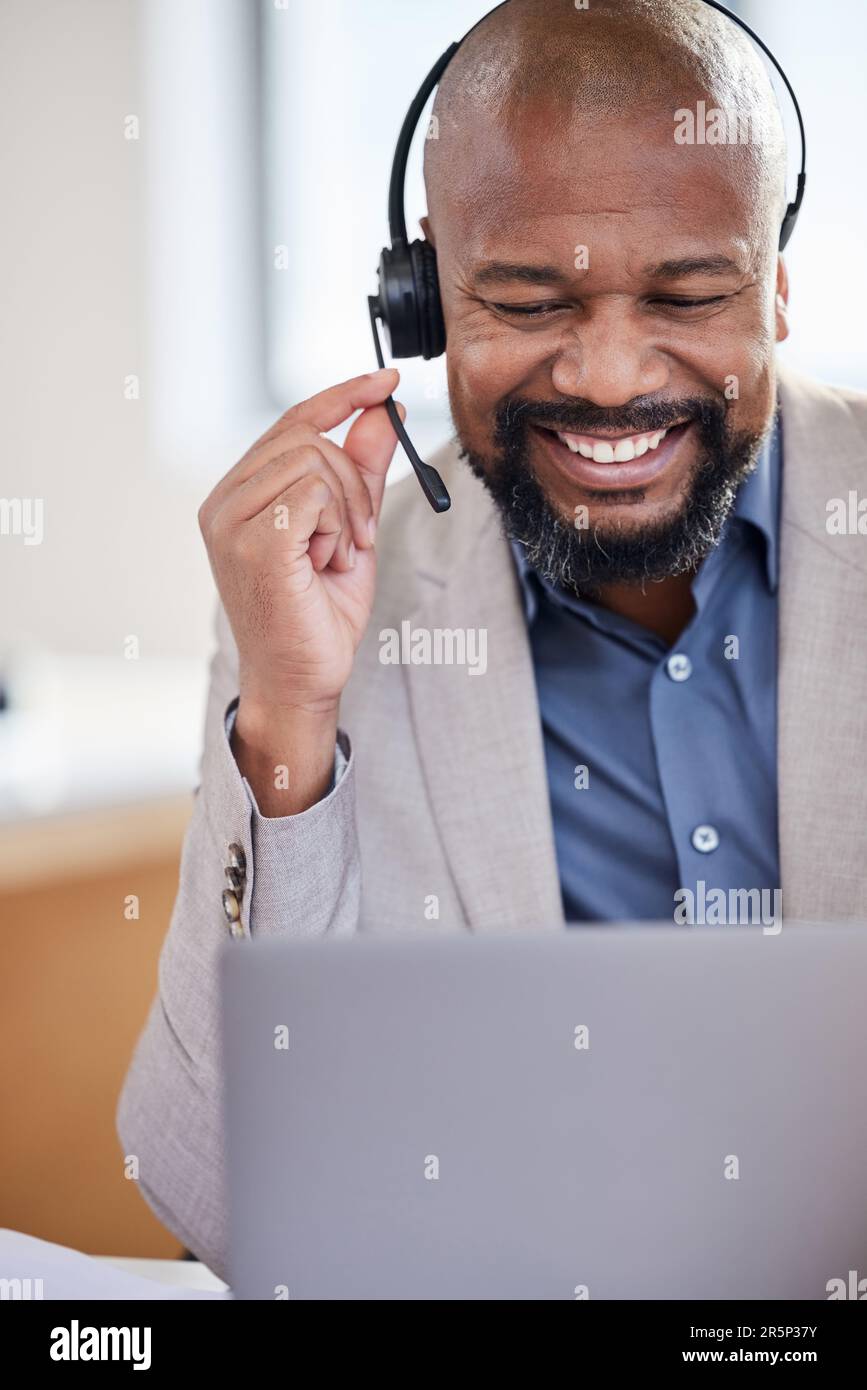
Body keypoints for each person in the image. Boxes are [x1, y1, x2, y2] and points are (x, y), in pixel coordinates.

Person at [118, 0, 867, 1279]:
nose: (613, 376)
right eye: (526, 300)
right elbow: (217, 1201)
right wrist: (289, 717)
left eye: (689, 290)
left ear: (778, 283)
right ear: (419, 301)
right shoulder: (335, 595)